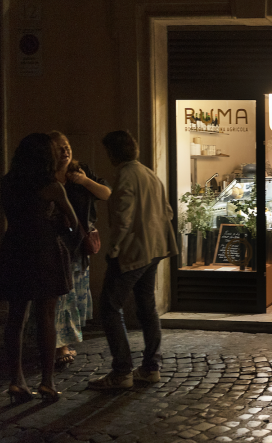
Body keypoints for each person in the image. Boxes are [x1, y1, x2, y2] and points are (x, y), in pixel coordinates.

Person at [89, 130, 179, 390]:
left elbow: (123, 218)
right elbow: (168, 211)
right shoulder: (149, 173)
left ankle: (122, 370)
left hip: (134, 252)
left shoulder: (125, 176)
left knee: (109, 307)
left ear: (112, 153)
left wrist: (114, 247)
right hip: (155, 249)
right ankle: (151, 367)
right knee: (146, 306)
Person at [0, 133, 79, 403]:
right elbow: (73, 223)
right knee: (46, 317)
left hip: (15, 248)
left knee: (16, 317)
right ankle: (47, 382)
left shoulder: (8, 182)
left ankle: (16, 380)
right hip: (44, 251)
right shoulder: (51, 186)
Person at [48, 131, 111, 367]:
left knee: (72, 296)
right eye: (59, 148)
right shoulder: (44, 177)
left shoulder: (80, 171)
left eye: (67, 146)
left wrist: (84, 181)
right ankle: (58, 345)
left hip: (79, 246)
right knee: (61, 295)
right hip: (55, 245)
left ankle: (60, 340)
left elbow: (106, 193)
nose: (65, 151)